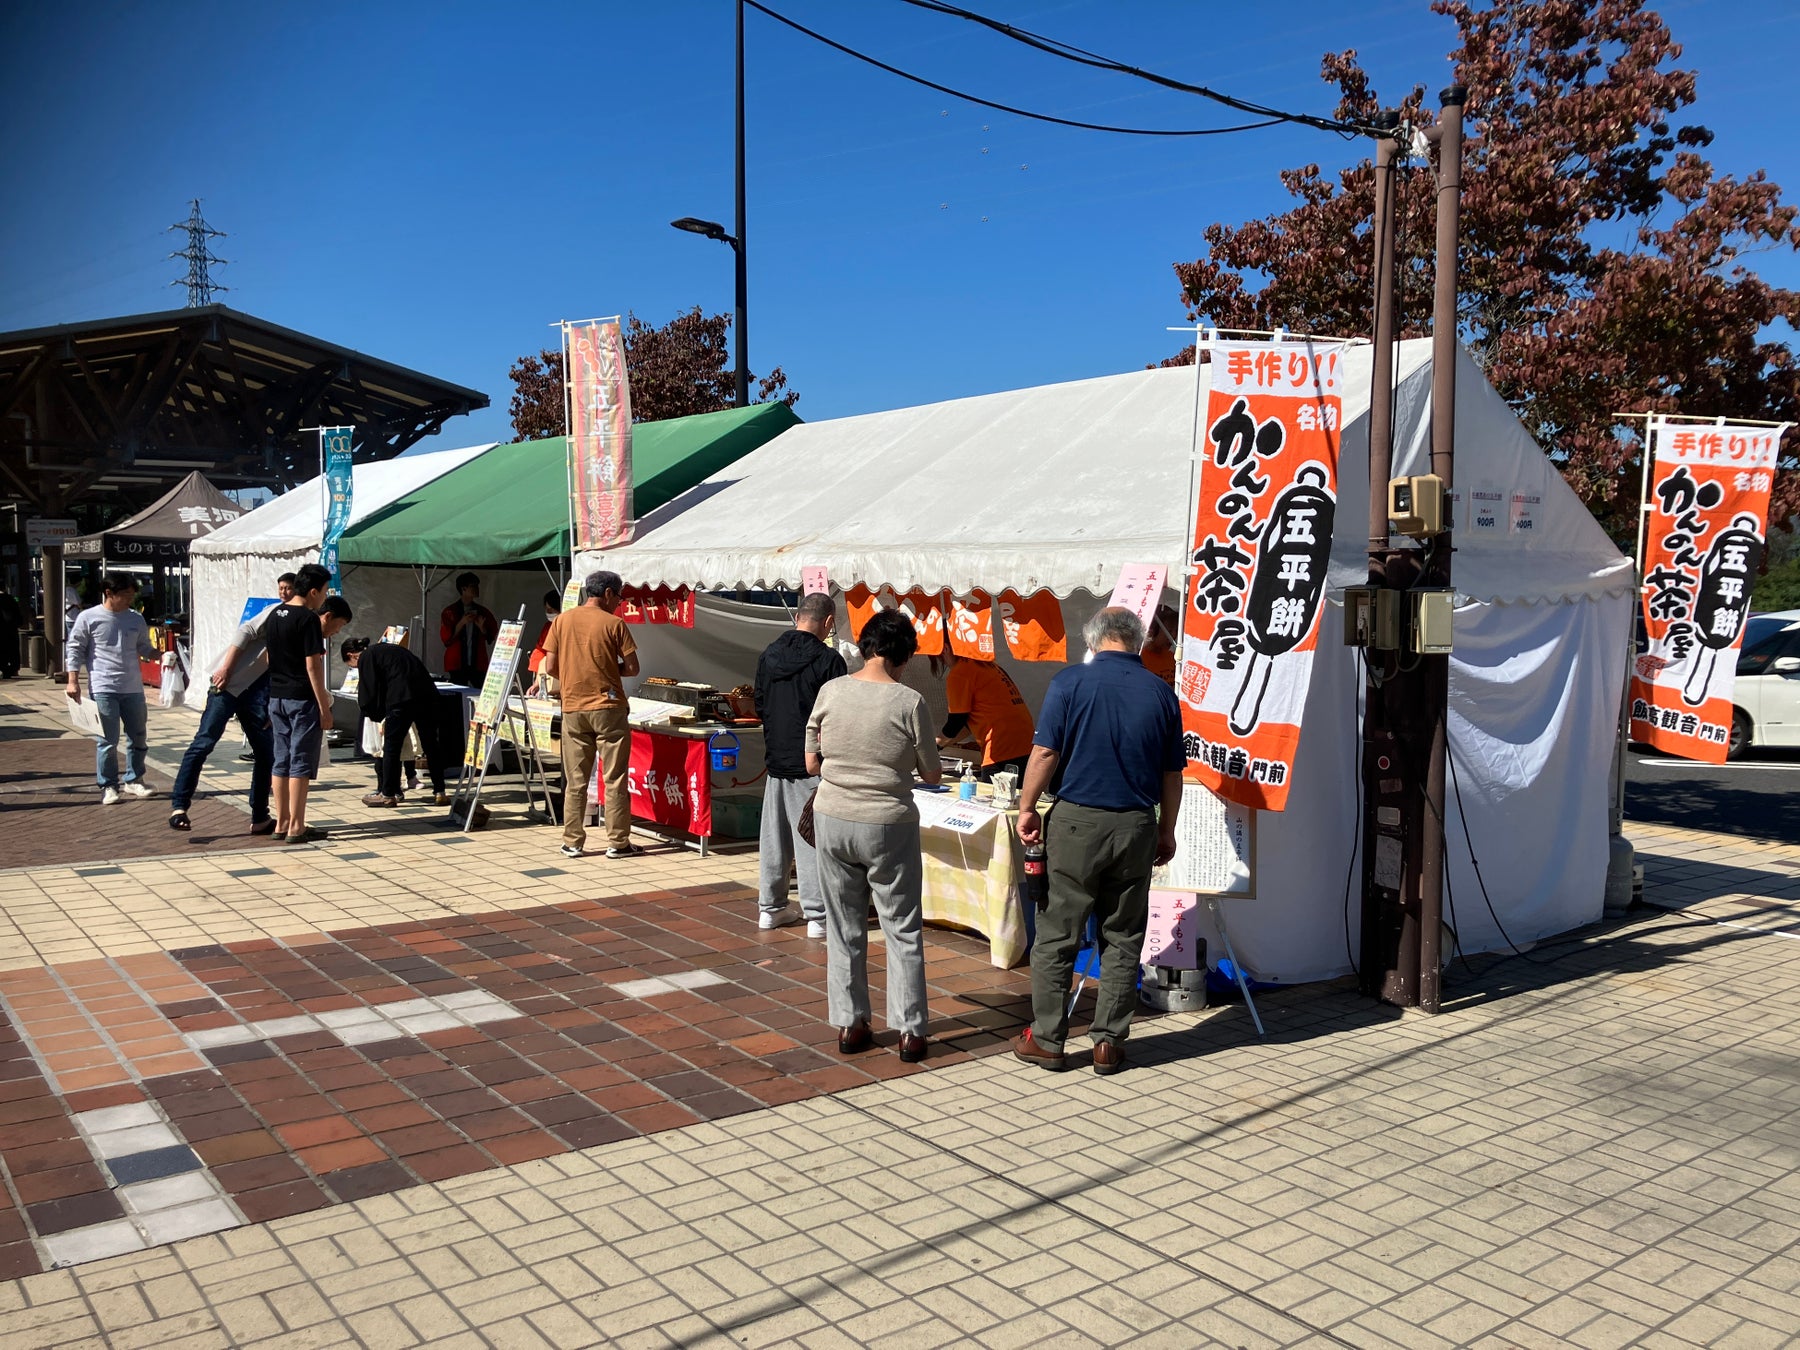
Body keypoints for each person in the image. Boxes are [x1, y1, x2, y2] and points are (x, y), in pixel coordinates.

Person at [1012, 607, 1185, 1076]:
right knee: (1123, 935)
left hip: (1075, 822)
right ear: (1137, 642)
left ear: (1093, 641)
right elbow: (1172, 774)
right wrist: (1167, 828)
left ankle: (1048, 1039)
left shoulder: (1070, 684)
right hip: (1136, 823)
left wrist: (1027, 807)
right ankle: (1108, 1041)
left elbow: (1046, 751)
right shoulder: (1162, 693)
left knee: (1057, 935)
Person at [805, 608, 941, 1063]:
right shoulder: (909, 701)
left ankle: (850, 1023)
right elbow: (930, 769)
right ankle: (910, 1030)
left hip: (832, 815)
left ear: (865, 646)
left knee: (843, 926)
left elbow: (811, 760)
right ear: (904, 654)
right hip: (887, 821)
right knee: (900, 926)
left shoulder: (831, 690)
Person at [754, 592, 847, 935]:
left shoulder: (769, 654)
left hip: (775, 758)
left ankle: (771, 907)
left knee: (774, 838)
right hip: (812, 763)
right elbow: (834, 716)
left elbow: (760, 704)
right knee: (810, 837)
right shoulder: (829, 660)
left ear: (797, 616)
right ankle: (818, 916)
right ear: (826, 622)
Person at [542, 569, 640, 859]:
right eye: (619, 596)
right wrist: (611, 670)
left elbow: (549, 668)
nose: (619, 603)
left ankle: (572, 841)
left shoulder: (561, 621)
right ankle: (618, 842)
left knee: (576, 780)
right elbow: (633, 668)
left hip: (573, 707)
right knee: (615, 778)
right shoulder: (614, 624)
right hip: (609, 707)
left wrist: (574, 675)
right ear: (608, 593)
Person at [168, 596, 280, 834]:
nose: (285, 593)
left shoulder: (303, 621)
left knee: (266, 752)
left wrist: (273, 703)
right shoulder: (279, 611)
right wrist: (227, 668)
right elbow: (246, 630)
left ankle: (260, 817)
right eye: (282, 589)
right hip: (227, 686)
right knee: (204, 743)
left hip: (258, 693)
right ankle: (179, 806)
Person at [266, 565, 352, 844]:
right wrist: (324, 708)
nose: (323, 597)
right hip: (301, 698)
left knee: (281, 760)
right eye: (324, 591)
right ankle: (297, 826)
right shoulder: (307, 620)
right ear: (314, 591)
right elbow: (313, 666)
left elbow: (268, 658)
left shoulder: (274, 614)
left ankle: (281, 822)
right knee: (300, 762)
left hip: (276, 696)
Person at [64, 574, 157, 804]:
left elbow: (144, 647)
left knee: (138, 736)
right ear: (109, 593)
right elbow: (74, 649)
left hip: (133, 687)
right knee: (107, 740)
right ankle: (108, 785)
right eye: (125, 595)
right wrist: (72, 680)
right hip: (103, 685)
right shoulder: (88, 618)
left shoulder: (136, 619)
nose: (129, 600)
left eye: (131, 596)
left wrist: (162, 656)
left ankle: (134, 780)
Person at [341, 636, 455, 807]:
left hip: (401, 700)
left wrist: (374, 713)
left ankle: (388, 794)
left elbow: (370, 690)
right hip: (427, 697)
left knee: (392, 748)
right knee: (431, 745)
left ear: (352, 655)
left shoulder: (367, 656)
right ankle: (440, 791)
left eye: (353, 666)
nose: (357, 669)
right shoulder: (389, 649)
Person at [938, 652, 1035, 780]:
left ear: (945, 649)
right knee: (1018, 797)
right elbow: (968, 724)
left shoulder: (960, 672)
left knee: (992, 797)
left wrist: (932, 747)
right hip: (1027, 744)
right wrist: (942, 744)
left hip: (1000, 749)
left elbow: (956, 722)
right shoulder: (990, 666)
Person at [440, 571, 498, 683]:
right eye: (473, 586)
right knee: (458, 695)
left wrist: (482, 628)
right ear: (463, 589)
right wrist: (462, 622)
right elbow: (447, 639)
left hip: (478, 663)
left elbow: (491, 635)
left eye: (477, 585)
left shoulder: (482, 611)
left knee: (479, 693)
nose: (477, 588)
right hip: (457, 662)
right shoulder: (450, 612)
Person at [527, 589, 561, 684]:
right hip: (545, 674)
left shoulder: (568, 627)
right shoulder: (547, 627)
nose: (548, 613)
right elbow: (540, 650)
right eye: (546, 610)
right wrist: (537, 679)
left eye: (550, 610)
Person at [1140, 604, 1179, 688]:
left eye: (1176, 630)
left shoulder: (1173, 657)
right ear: (1152, 630)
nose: (1173, 635)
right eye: (1169, 630)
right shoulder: (1139, 659)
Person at [0, 580, 23, 678]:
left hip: (1, 629)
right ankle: (13, 669)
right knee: (13, 650)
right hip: (11, 629)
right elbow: (18, 614)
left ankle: (3, 668)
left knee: (1, 650)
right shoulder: (11, 599)